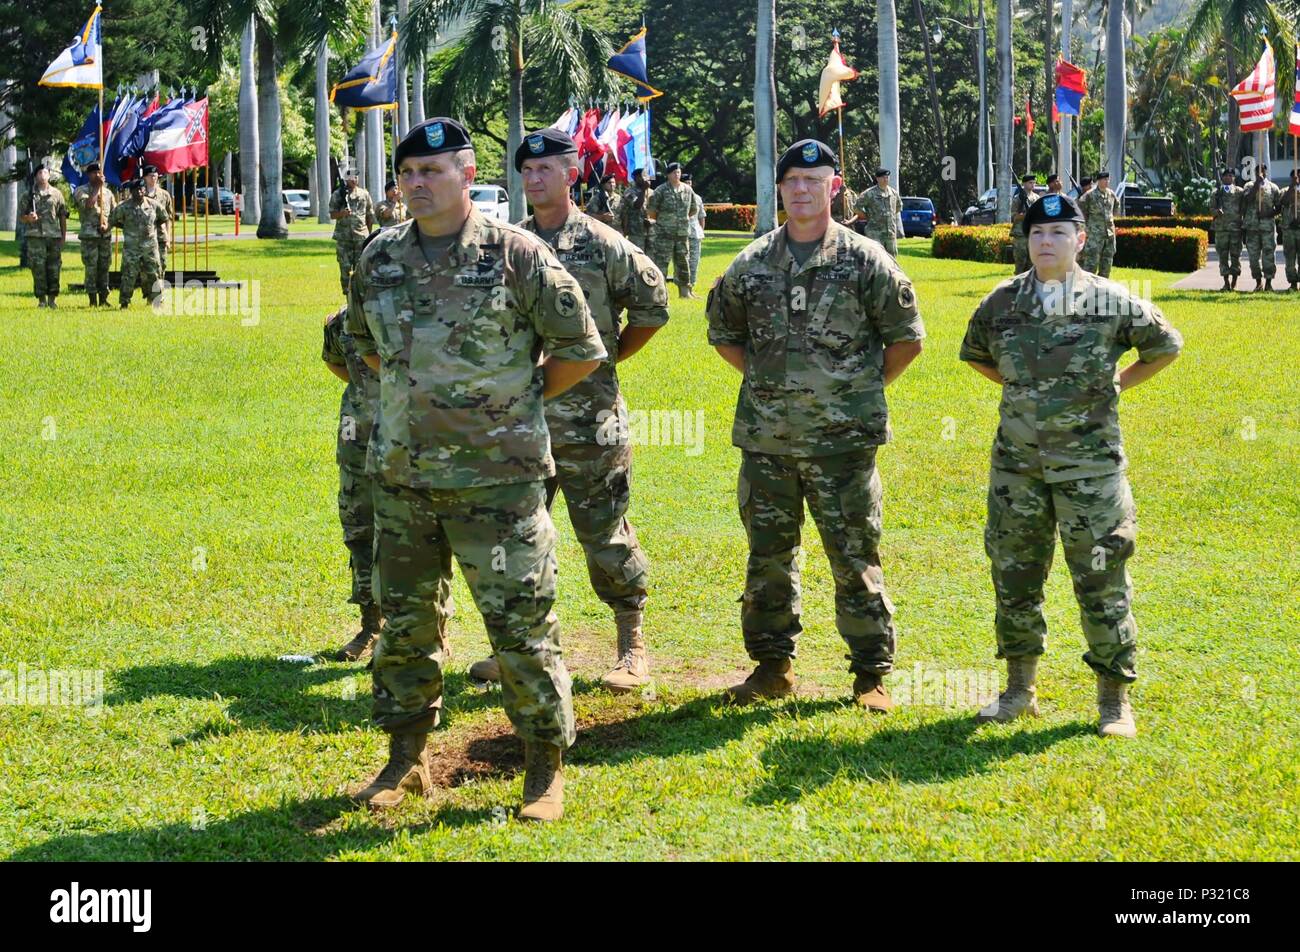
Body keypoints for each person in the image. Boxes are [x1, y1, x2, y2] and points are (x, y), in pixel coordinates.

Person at [343, 118, 607, 821]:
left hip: (500, 482)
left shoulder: (517, 255)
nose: (418, 183)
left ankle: (543, 768)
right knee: (405, 625)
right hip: (402, 478)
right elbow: (363, 349)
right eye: (408, 173)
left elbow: (580, 350)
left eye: (433, 170)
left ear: (467, 174)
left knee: (521, 624)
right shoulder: (378, 258)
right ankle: (404, 757)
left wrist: (510, 405)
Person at [706, 139, 924, 710]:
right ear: (780, 190)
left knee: (854, 556)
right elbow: (725, 334)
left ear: (833, 186)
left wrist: (856, 390)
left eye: (813, 180)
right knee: (769, 557)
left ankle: (870, 674)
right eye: (791, 181)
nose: (801, 190)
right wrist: (769, 381)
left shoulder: (865, 259)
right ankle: (772, 666)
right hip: (767, 440)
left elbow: (907, 338)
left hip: (844, 443)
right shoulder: (751, 264)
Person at [959, 192, 1183, 738]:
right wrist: (1027, 392)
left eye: (1059, 234)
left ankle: (1113, 702)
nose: (1046, 242)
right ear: (1026, 241)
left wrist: (1117, 384)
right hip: (1018, 469)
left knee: (1102, 580)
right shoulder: (1002, 302)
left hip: (1092, 470)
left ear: (1081, 240)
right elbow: (976, 355)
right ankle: (1018, 691)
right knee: (1015, 578)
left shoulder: (1110, 300)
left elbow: (1165, 345)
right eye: (1037, 234)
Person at [467, 128, 669, 694]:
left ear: (571, 172)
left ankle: (632, 647)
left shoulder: (604, 243)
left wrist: (603, 363)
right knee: (514, 534)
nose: (535, 180)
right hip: (522, 420)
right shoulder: (508, 242)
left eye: (546, 169)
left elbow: (652, 308)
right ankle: (514, 649)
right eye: (527, 171)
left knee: (604, 530)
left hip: (591, 420)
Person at [646, 162, 703, 298]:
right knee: (661, 263)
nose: (677, 175)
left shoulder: (688, 190)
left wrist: (680, 221)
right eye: (673, 173)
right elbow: (652, 210)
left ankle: (684, 292)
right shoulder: (660, 190)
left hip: (682, 233)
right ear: (668, 175)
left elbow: (693, 209)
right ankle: (659, 293)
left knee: (683, 263)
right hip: (664, 234)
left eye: (678, 172)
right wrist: (665, 222)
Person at [108, 178, 167, 308]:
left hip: (150, 247)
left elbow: (163, 218)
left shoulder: (154, 205)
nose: (139, 192)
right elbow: (112, 220)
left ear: (144, 190)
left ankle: (156, 300)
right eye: (135, 190)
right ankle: (124, 302)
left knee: (155, 274)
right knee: (128, 275)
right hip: (131, 248)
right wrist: (125, 227)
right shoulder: (124, 207)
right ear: (131, 191)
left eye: (141, 189)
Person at [18, 160, 68, 308]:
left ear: (49, 175)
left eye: (44, 172)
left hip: (53, 237)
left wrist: (63, 237)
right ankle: (41, 300)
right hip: (35, 238)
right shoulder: (28, 195)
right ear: (35, 177)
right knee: (38, 268)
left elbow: (62, 216)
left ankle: (52, 299)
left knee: (54, 268)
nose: (42, 175)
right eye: (39, 173)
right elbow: (21, 216)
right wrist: (29, 218)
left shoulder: (57, 194)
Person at [73, 161, 116, 307]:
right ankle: (92, 300)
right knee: (91, 268)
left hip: (105, 236)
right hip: (89, 236)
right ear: (88, 175)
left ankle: (104, 298)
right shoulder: (81, 190)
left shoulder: (108, 193)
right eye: (94, 173)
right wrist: (97, 186)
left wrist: (108, 226)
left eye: (99, 172)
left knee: (104, 267)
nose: (97, 175)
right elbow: (88, 205)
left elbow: (114, 215)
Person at [329, 165, 375, 295]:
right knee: (345, 269)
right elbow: (332, 214)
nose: (354, 179)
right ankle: (347, 295)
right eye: (351, 177)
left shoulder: (364, 194)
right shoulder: (338, 194)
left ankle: (361, 296)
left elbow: (369, 216)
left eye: (356, 176)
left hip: (361, 238)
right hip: (344, 239)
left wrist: (368, 234)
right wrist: (341, 213)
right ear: (345, 179)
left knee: (361, 269)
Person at [1241, 163, 1280, 292]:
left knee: (1268, 256)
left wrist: (1268, 213)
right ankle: (1258, 282)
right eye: (1257, 171)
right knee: (1253, 258)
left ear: (1266, 172)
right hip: (1252, 228)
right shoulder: (1249, 186)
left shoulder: (1273, 188)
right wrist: (1256, 185)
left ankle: (1268, 283)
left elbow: (1279, 207)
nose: (1260, 173)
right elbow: (1247, 199)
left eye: (1262, 170)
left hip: (1267, 228)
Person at [852, 167, 902, 258]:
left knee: (892, 260)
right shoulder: (869, 193)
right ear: (877, 179)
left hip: (890, 234)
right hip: (875, 233)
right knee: (875, 259)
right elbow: (856, 207)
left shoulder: (893, 193)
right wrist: (867, 216)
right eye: (883, 177)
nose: (885, 179)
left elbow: (898, 207)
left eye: (887, 177)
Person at [1078, 169, 1119, 276]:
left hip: (1109, 236)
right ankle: (1085, 290)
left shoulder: (1111, 194)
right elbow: (1081, 212)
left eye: (1108, 179)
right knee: (1090, 266)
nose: (1107, 181)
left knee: (1106, 266)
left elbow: (1115, 209)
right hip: (1094, 237)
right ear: (1098, 181)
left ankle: (1102, 290)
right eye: (1104, 179)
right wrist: (1087, 228)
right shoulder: (1089, 196)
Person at [1211, 167, 1244, 291]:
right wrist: (1216, 211)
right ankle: (1226, 282)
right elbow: (1211, 208)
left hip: (1236, 229)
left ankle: (1235, 281)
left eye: (1231, 176)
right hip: (1221, 229)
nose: (1228, 177)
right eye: (1226, 176)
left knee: (1236, 256)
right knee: (1223, 256)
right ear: (1222, 178)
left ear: (1234, 178)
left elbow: (1244, 207)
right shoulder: (1216, 193)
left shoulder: (1239, 192)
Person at [141, 165, 174, 275]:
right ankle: (148, 289)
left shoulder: (164, 195)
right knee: (145, 265)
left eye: (155, 176)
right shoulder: (139, 194)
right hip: (144, 236)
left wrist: (168, 237)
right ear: (145, 177)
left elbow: (169, 218)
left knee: (162, 263)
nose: (153, 178)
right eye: (151, 176)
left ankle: (159, 288)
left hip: (160, 236)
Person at [1010, 173, 1039, 274]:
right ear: (1024, 184)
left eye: (1034, 183)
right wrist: (1025, 215)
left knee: (1032, 262)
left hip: (1033, 234)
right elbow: (1014, 217)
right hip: (1020, 234)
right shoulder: (1018, 199)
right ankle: (1018, 286)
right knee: (1020, 262)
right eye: (1030, 183)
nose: (1032, 185)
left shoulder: (1037, 198)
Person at [620, 168, 653, 251]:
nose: (646, 178)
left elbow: (658, 210)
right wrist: (643, 190)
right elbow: (637, 205)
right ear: (636, 178)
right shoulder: (629, 192)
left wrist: (653, 220)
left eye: (647, 176)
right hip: (636, 232)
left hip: (651, 232)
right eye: (643, 176)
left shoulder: (652, 192)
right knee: (638, 257)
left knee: (651, 259)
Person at [1278, 169, 1300, 292]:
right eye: (1295, 177)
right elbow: (1283, 202)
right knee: (1290, 259)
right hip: (1289, 230)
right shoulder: (1285, 190)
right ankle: (1293, 283)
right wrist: (1292, 188)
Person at [683, 171, 706, 283]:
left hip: (695, 233)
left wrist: (702, 230)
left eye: (690, 183)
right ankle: (683, 283)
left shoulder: (697, 198)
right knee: (683, 260)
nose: (688, 185)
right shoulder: (678, 197)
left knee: (694, 261)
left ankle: (692, 283)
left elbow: (701, 216)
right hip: (682, 233)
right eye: (686, 183)